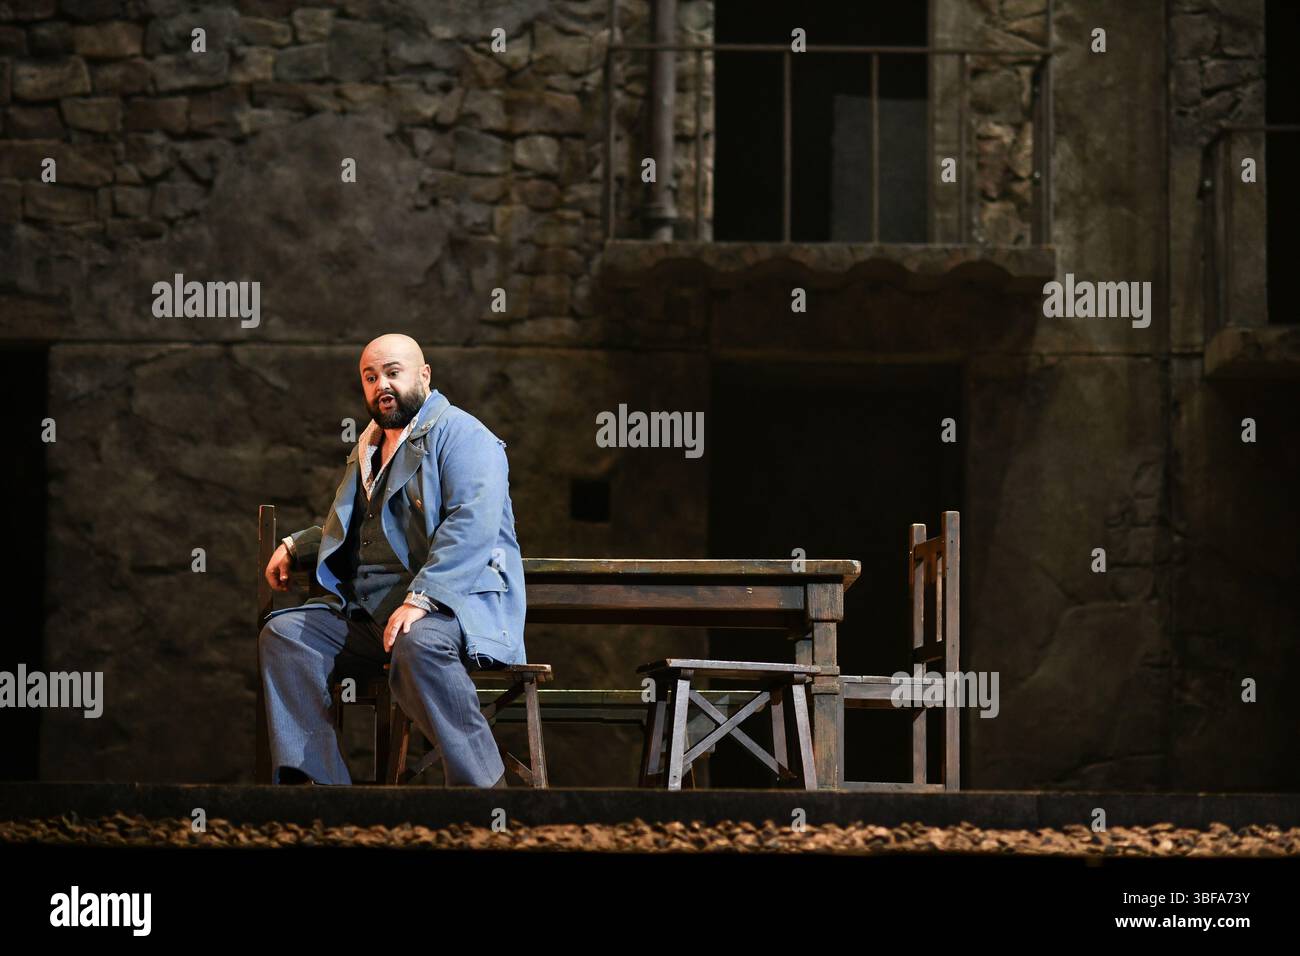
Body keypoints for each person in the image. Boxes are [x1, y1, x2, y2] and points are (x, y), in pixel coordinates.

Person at [258, 333, 526, 787]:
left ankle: (486, 794)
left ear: (424, 375)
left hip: (451, 606)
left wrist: (420, 599)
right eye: (370, 376)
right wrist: (297, 546)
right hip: (372, 615)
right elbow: (356, 525)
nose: (382, 384)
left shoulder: (464, 436)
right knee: (285, 635)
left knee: (419, 643)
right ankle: (319, 791)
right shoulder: (369, 447)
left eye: (393, 373)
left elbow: (472, 525)